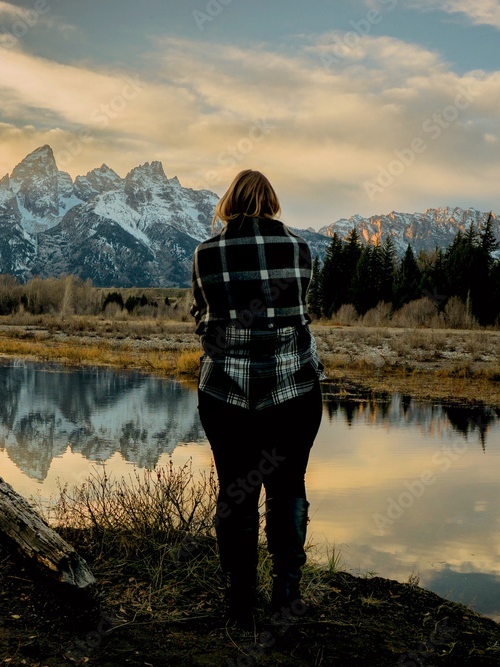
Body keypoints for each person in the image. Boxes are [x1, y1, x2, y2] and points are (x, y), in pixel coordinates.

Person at [190, 169, 325, 625]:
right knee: (288, 489)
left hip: (226, 396)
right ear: (271, 202)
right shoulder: (301, 249)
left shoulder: (205, 255)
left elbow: (202, 318)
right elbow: (302, 312)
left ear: (228, 202)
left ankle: (240, 603)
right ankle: (286, 597)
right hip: (292, 394)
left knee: (236, 493)